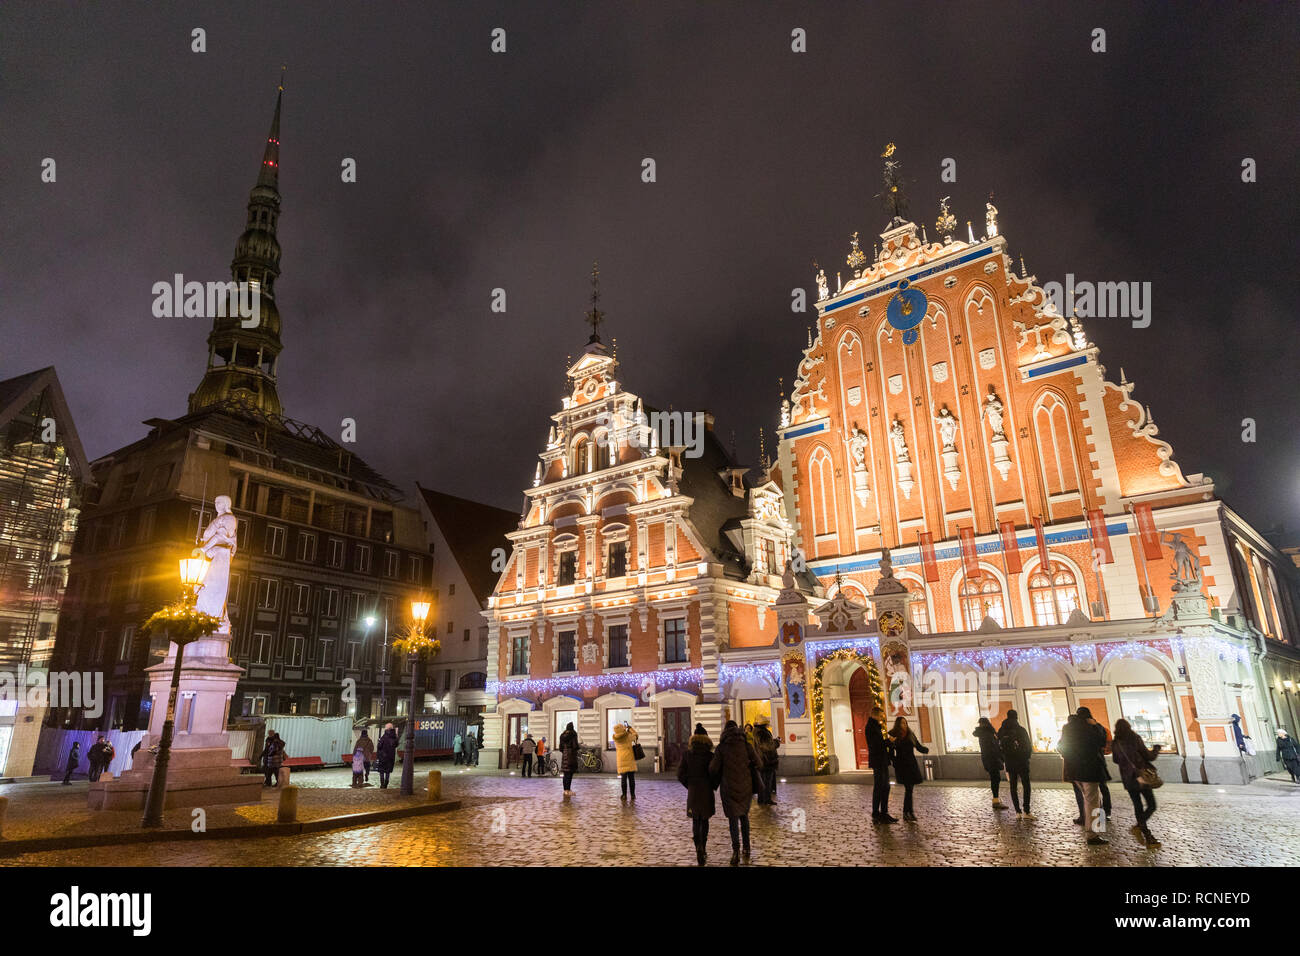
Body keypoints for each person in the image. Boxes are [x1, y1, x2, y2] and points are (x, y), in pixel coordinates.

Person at [710, 719, 761, 865]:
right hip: (746, 787)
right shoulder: (746, 745)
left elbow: (713, 769)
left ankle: (735, 851)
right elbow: (759, 763)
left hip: (729, 788)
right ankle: (747, 847)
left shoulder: (721, 748)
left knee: (733, 820)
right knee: (744, 817)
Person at [1059, 708, 1109, 845]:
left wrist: (1071, 759)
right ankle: (1093, 834)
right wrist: (1096, 725)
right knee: (1093, 801)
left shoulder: (1068, 728)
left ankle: (1092, 830)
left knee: (1089, 800)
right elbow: (1102, 741)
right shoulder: (1090, 727)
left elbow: (1060, 746)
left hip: (1074, 771)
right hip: (1090, 770)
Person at [1112, 718, 1162, 849]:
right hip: (1141, 777)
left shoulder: (1115, 742)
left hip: (1128, 779)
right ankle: (1141, 828)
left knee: (1137, 805)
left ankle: (1146, 835)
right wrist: (1156, 749)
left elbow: (1116, 760)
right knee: (1151, 805)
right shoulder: (1135, 738)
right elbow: (1149, 756)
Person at [677, 722, 717, 865]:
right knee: (705, 820)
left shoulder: (687, 754)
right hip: (706, 790)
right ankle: (703, 847)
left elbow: (680, 773)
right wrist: (713, 784)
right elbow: (715, 772)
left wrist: (689, 784)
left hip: (693, 790)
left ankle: (697, 847)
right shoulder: (710, 755)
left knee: (695, 819)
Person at [889, 716, 928, 821]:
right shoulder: (893, 734)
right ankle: (907, 813)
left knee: (910, 790)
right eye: (902, 723)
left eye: (905, 723)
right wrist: (894, 761)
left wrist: (925, 750)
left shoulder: (910, 734)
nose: (904, 725)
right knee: (908, 789)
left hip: (911, 764)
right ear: (898, 724)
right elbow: (891, 751)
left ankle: (908, 812)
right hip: (901, 765)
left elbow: (918, 746)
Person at [997, 710, 1034, 818]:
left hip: (1009, 762)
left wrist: (1004, 758)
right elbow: (1028, 746)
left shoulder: (1002, 731)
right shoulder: (1021, 730)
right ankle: (1026, 811)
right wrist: (1026, 757)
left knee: (1013, 786)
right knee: (1026, 785)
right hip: (1022, 761)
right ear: (1016, 717)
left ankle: (1017, 812)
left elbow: (998, 746)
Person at [865, 705, 895, 823]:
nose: (882, 718)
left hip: (881, 760)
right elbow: (875, 745)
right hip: (878, 761)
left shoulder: (876, 726)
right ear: (875, 715)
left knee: (885, 786)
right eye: (881, 715)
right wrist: (888, 741)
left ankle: (884, 812)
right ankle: (876, 813)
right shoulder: (871, 727)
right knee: (880, 786)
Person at [973, 717, 1005, 810]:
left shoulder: (984, 734)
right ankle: (995, 800)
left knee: (995, 778)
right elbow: (993, 748)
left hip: (988, 759)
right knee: (996, 779)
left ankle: (996, 799)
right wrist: (1000, 757)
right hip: (992, 759)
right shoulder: (987, 734)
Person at [752, 716, 780, 805]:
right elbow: (767, 746)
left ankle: (764, 799)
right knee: (766, 781)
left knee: (765, 781)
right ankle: (765, 799)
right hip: (766, 760)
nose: (768, 725)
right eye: (767, 723)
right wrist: (776, 742)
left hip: (763, 760)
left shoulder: (759, 732)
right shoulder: (761, 733)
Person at [612, 722, 639, 801]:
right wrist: (630, 728)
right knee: (631, 779)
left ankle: (624, 795)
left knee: (623, 779)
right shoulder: (627, 736)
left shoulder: (615, 738)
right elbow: (636, 735)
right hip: (629, 759)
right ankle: (632, 795)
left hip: (621, 759)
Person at [558, 721, 580, 797]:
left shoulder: (562, 735)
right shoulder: (573, 734)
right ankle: (568, 790)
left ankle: (565, 790)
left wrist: (565, 751)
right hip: (571, 756)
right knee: (570, 774)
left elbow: (560, 748)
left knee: (565, 774)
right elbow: (575, 746)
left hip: (565, 755)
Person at [376, 724, 399, 789]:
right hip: (391, 758)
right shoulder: (394, 737)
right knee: (388, 772)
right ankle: (386, 784)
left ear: (386, 729)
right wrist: (397, 736)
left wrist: (379, 741)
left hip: (383, 757)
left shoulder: (384, 737)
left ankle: (382, 784)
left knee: (382, 771)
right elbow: (396, 744)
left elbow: (379, 746)